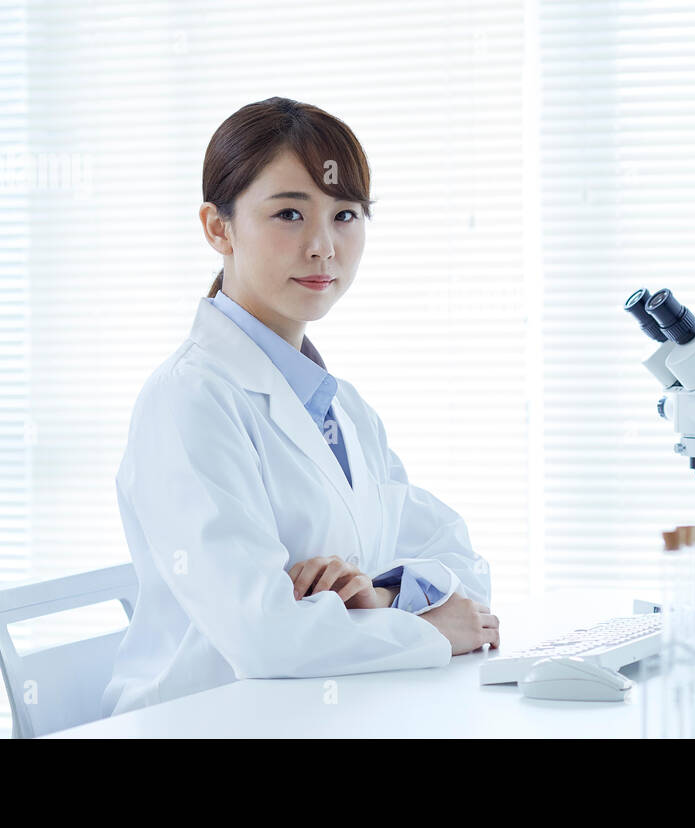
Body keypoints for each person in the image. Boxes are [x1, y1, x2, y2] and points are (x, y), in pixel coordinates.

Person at [101, 97, 497, 717]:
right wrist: (428, 629)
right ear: (217, 227)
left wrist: (381, 597)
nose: (322, 246)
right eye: (289, 213)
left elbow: (462, 565)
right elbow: (262, 637)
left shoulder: (342, 409)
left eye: (345, 214)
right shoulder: (189, 400)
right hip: (200, 720)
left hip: (317, 715)